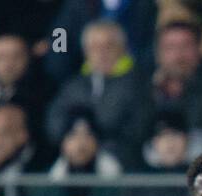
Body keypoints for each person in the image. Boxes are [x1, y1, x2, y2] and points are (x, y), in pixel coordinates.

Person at [45, 19, 150, 169]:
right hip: (73, 159)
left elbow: (138, 129)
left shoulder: (137, 83)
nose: (101, 53)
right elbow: (53, 122)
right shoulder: (74, 84)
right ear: (86, 52)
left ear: (122, 49)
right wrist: (73, 139)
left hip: (120, 161)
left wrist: (91, 138)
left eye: (108, 46)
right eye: (94, 48)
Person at [150, 20, 202, 152]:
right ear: (158, 53)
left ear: (199, 49)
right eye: (170, 48)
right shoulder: (146, 85)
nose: (178, 55)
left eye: (186, 46)